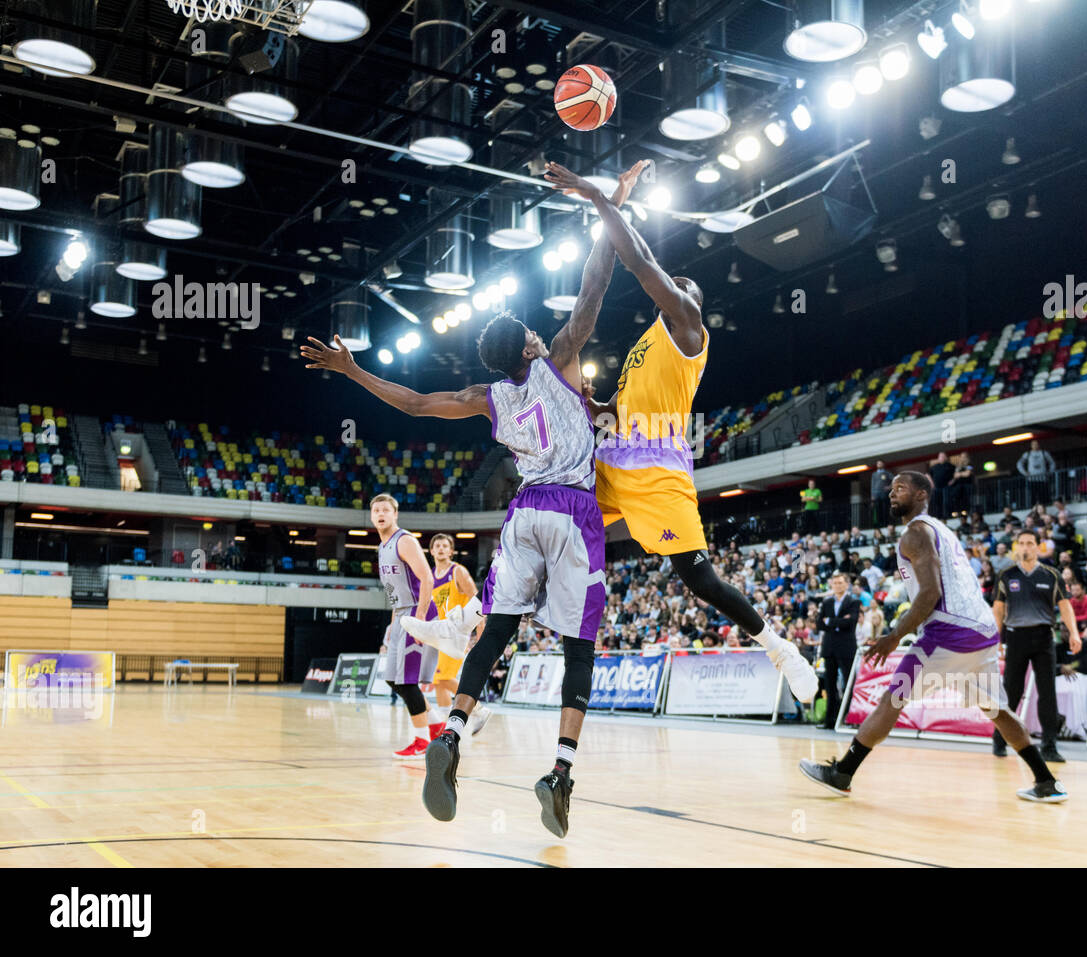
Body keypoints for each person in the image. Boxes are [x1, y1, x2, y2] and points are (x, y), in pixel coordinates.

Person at [301, 160, 647, 839]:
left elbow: (416, 402)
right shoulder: (560, 357)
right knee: (580, 645)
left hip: (521, 517)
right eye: (534, 332)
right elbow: (597, 280)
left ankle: (452, 733)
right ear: (528, 344)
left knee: (498, 630)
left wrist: (351, 370)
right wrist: (604, 202)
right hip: (574, 511)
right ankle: (560, 772)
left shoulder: (487, 397)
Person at [546, 160, 818, 706]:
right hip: (616, 457)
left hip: (660, 466)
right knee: (544, 518)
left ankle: (777, 646)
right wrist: (587, 401)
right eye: (676, 285)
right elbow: (613, 413)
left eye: (684, 285)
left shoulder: (688, 327)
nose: (678, 287)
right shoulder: (644, 344)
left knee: (699, 580)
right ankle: (473, 621)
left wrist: (603, 199)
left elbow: (642, 262)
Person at [797, 472, 1068, 804]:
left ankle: (842, 773)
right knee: (996, 709)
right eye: (891, 489)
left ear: (922, 494)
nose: (892, 494)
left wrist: (894, 636)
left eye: (900, 489)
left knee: (891, 700)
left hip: (948, 632)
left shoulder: (915, 534)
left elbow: (929, 594)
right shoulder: (941, 529)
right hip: (981, 632)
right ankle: (1046, 781)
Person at [990, 530, 1081, 763]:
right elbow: (998, 609)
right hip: (1015, 637)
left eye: (1030, 543)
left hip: (1043, 637)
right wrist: (995, 639)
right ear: (1016, 547)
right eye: (1021, 544)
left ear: (1038, 547)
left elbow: (1065, 606)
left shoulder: (1052, 574)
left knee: (1047, 693)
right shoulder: (1006, 574)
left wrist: (1074, 633)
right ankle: (1000, 740)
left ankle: (1049, 746)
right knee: (1011, 692)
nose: (1025, 547)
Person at [367, 493, 440, 759]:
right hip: (400, 613)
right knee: (392, 678)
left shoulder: (404, 540)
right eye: (376, 510)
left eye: (385, 509)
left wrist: (419, 619)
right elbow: (393, 591)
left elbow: (427, 579)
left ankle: (422, 740)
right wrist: (392, 626)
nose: (380, 514)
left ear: (395, 514)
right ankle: (436, 723)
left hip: (416, 612)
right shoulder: (382, 547)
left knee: (408, 680)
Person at [407, 533, 491, 739]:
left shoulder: (458, 572)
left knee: (443, 678)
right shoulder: (431, 576)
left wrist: (481, 633)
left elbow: (477, 601)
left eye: (445, 546)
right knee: (438, 681)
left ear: (451, 551)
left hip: (458, 632)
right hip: (441, 632)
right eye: (437, 546)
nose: (441, 548)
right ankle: (445, 725)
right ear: (432, 551)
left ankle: (479, 710)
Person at [816, 572, 861, 730]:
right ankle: (830, 720)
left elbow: (851, 622)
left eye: (840, 582)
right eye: (835, 583)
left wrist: (830, 621)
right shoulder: (827, 602)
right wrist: (839, 621)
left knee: (849, 682)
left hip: (846, 648)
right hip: (829, 647)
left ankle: (850, 718)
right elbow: (819, 624)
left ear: (847, 584)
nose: (837, 585)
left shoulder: (853, 602)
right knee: (829, 685)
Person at [1017, 440, 1055, 507]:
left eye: (1036, 444)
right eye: (1033, 444)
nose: (1035, 446)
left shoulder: (1044, 453)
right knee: (1033, 496)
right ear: (1031, 446)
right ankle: (1034, 509)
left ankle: (1044, 508)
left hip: (1043, 479)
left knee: (1043, 495)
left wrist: (1049, 472)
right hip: (1032, 479)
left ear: (1039, 445)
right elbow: (1019, 463)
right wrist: (1024, 472)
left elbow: (1052, 463)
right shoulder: (1027, 454)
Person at [928, 451, 955, 518]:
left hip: (946, 487)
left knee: (946, 502)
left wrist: (953, 481)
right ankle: (938, 516)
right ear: (938, 458)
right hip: (937, 487)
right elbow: (928, 475)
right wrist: (932, 484)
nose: (942, 458)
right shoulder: (934, 467)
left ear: (946, 457)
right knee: (937, 502)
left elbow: (955, 474)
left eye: (943, 456)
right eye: (940, 456)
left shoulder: (950, 466)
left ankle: (947, 515)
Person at [870, 461, 893, 528]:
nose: (879, 464)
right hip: (876, 495)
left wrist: (889, 487)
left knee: (885, 509)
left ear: (883, 464)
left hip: (885, 495)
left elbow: (894, 480)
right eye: (878, 463)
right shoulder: (874, 474)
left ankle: (886, 523)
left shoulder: (887, 473)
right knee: (877, 511)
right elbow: (872, 485)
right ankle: (880, 524)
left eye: (880, 463)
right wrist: (872, 495)